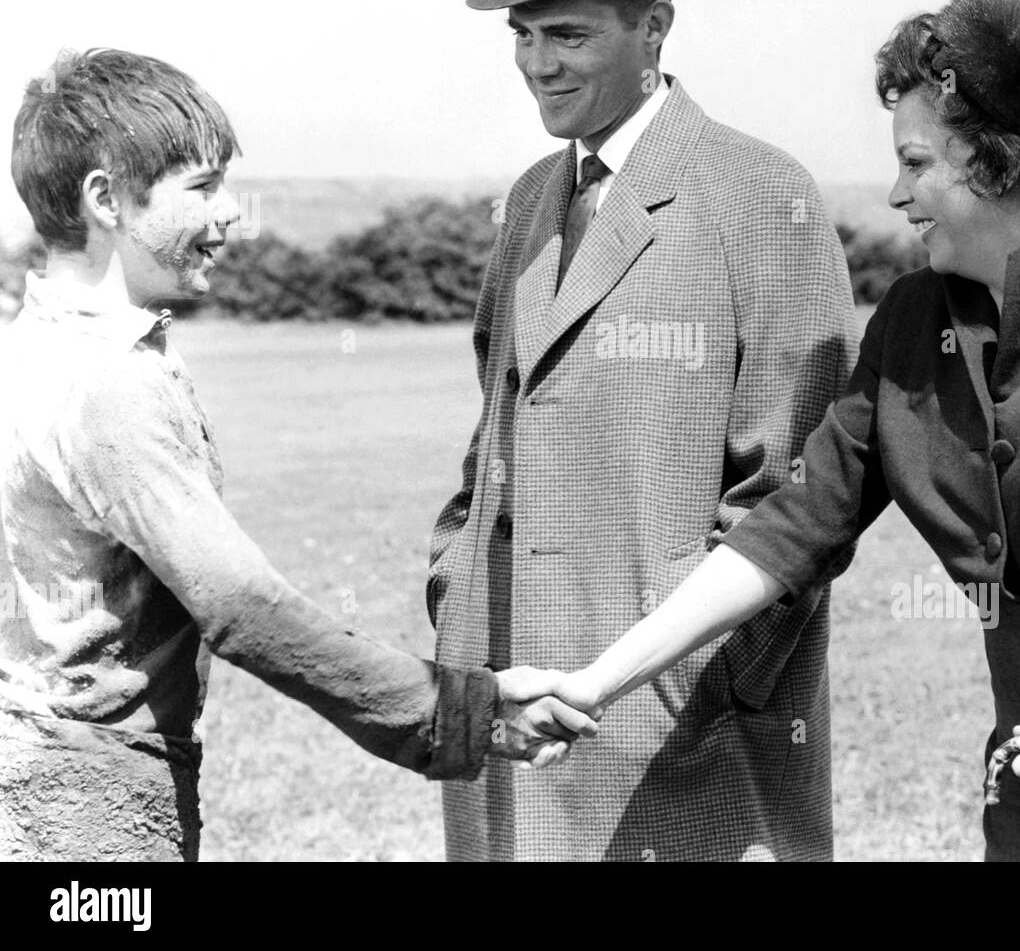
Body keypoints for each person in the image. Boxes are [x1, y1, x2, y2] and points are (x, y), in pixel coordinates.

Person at [551, 0, 1020, 861]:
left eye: (916, 163)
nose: (896, 195)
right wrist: (593, 684)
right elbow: (792, 529)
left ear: (999, 163)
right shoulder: (912, 321)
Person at [0, 48, 594, 861]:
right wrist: (463, 710)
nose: (231, 214)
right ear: (105, 199)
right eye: (201, 188)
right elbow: (242, 607)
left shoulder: (31, 349)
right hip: (87, 815)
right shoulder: (105, 386)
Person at [430, 0, 857, 861]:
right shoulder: (534, 197)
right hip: (505, 714)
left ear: (656, 24)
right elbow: (491, 441)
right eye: (524, 37)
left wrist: (669, 679)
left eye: (567, 35)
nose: (538, 64)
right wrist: (457, 596)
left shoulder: (761, 195)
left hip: (674, 737)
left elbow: (797, 508)